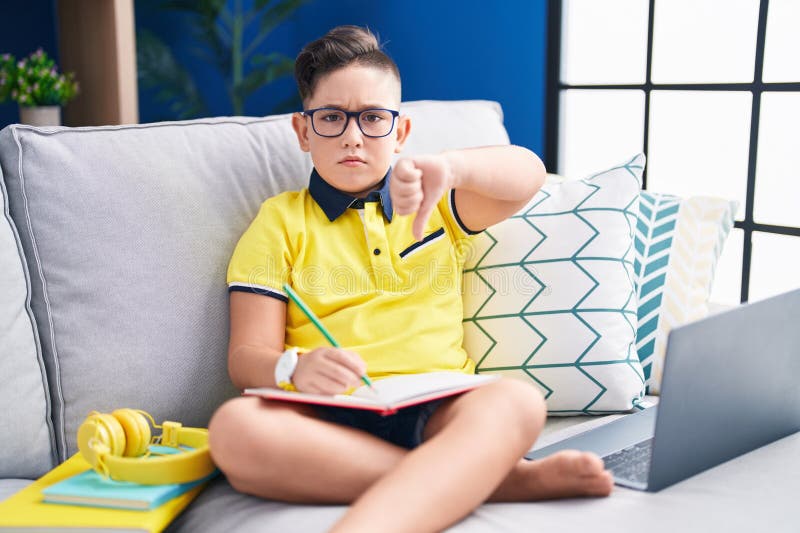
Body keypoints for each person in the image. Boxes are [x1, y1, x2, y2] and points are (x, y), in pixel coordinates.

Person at [208, 25, 613, 533]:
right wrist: (295, 369)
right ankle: (500, 482)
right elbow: (246, 359)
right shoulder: (277, 223)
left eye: (373, 118)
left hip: (440, 405)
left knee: (518, 401)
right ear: (303, 130)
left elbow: (528, 172)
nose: (353, 136)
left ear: (399, 132)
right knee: (233, 430)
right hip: (328, 418)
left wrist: (451, 166)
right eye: (332, 118)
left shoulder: (433, 201)